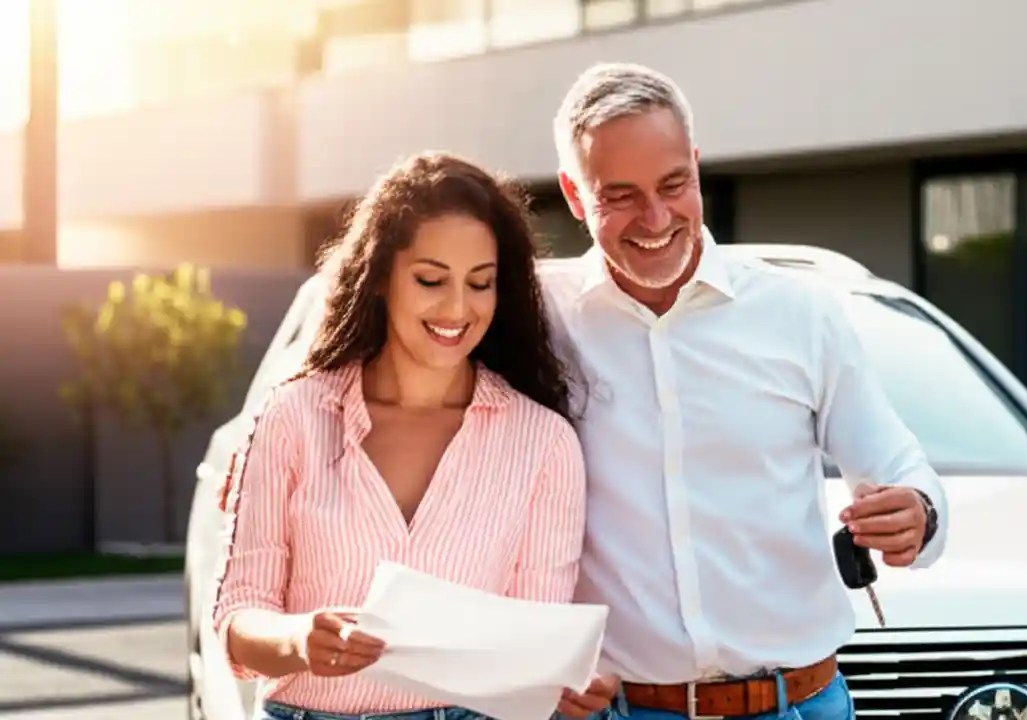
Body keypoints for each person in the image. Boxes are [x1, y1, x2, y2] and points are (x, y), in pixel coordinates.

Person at [539, 63, 950, 720]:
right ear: (572, 193)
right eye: (618, 196)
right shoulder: (536, 322)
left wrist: (918, 516)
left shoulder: (801, 314)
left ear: (696, 166)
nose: (655, 218)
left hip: (801, 704)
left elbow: (903, 473)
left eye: (675, 184)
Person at [210, 152, 588, 720]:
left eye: (480, 283)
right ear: (382, 276)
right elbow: (239, 619)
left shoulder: (544, 444)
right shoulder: (296, 416)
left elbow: (528, 656)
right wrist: (298, 641)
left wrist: (563, 691)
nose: (458, 308)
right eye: (431, 280)